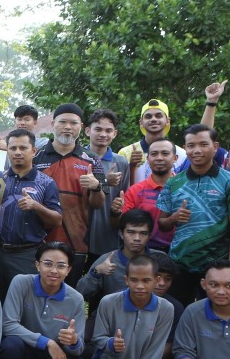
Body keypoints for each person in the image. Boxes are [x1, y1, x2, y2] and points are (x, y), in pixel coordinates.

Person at [157, 124, 230, 302]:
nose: (196, 150)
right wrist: (174, 218)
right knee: (178, 314)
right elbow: (161, 224)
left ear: (215, 147)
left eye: (203, 144)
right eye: (190, 145)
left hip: (216, 265)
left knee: (215, 317)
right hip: (180, 263)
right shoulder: (173, 182)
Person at [0, 241, 95, 359]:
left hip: (55, 356)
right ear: (37, 265)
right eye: (48, 264)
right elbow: (8, 324)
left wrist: (73, 341)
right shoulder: (21, 283)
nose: (54, 271)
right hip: (26, 348)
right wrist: (47, 342)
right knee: (10, 346)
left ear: (69, 269)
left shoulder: (76, 299)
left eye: (61, 266)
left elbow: (78, 349)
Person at [90, 254, 184, 359]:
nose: (140, 286)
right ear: (126, 280)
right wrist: (110, 343)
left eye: (146, 280)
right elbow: (97, 338)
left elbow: (155, 351)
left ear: (155, 280)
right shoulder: (109, 302)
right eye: (134, 280)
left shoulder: (166, 308)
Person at [33, 103, 102, 286]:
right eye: (63, 122)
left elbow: (98, 204)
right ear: (52, 124)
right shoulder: (35, 157)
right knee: (36, 292)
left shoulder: (92, 160)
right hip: (38, 240)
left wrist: (96, 187)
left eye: (73, 123)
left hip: (76, 241)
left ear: (81, 127)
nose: (68, 127)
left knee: (68, 293)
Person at [0, 128, 61, 297]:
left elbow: (57, 220)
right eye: (13, 148)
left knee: (23, 303)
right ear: (7, 150)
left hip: (27, 255)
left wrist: (36, 206)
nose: (17, 152)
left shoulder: (45, 183)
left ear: (34, 151)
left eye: (23, 148)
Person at [76, 209, 155, 305]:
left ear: (149, 235)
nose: (137, 238)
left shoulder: (159, 259)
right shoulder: (107, 260)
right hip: (112, 316)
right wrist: (96, 272)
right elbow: (79, 293)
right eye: (131, 232)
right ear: (121, 234)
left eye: (143, 233)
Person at [83, 109, 129, 259]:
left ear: (114, 134)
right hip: (80, 230)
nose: (103, 134)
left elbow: (124, 198)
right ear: (88, 131)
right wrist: (105, 181)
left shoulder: (121, 162)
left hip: (107, 233)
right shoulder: (78, 157)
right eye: (98, 129)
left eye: (108, 130)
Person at [120, 138, 177, 252]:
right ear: (148, 159)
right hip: (143, 252)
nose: (159, 158)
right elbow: (124, 224)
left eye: (165, 153)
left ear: (175, 158)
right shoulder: (135, 191)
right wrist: (115, 212)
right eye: (154, 154)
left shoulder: (186, 188)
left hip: (179, 252)